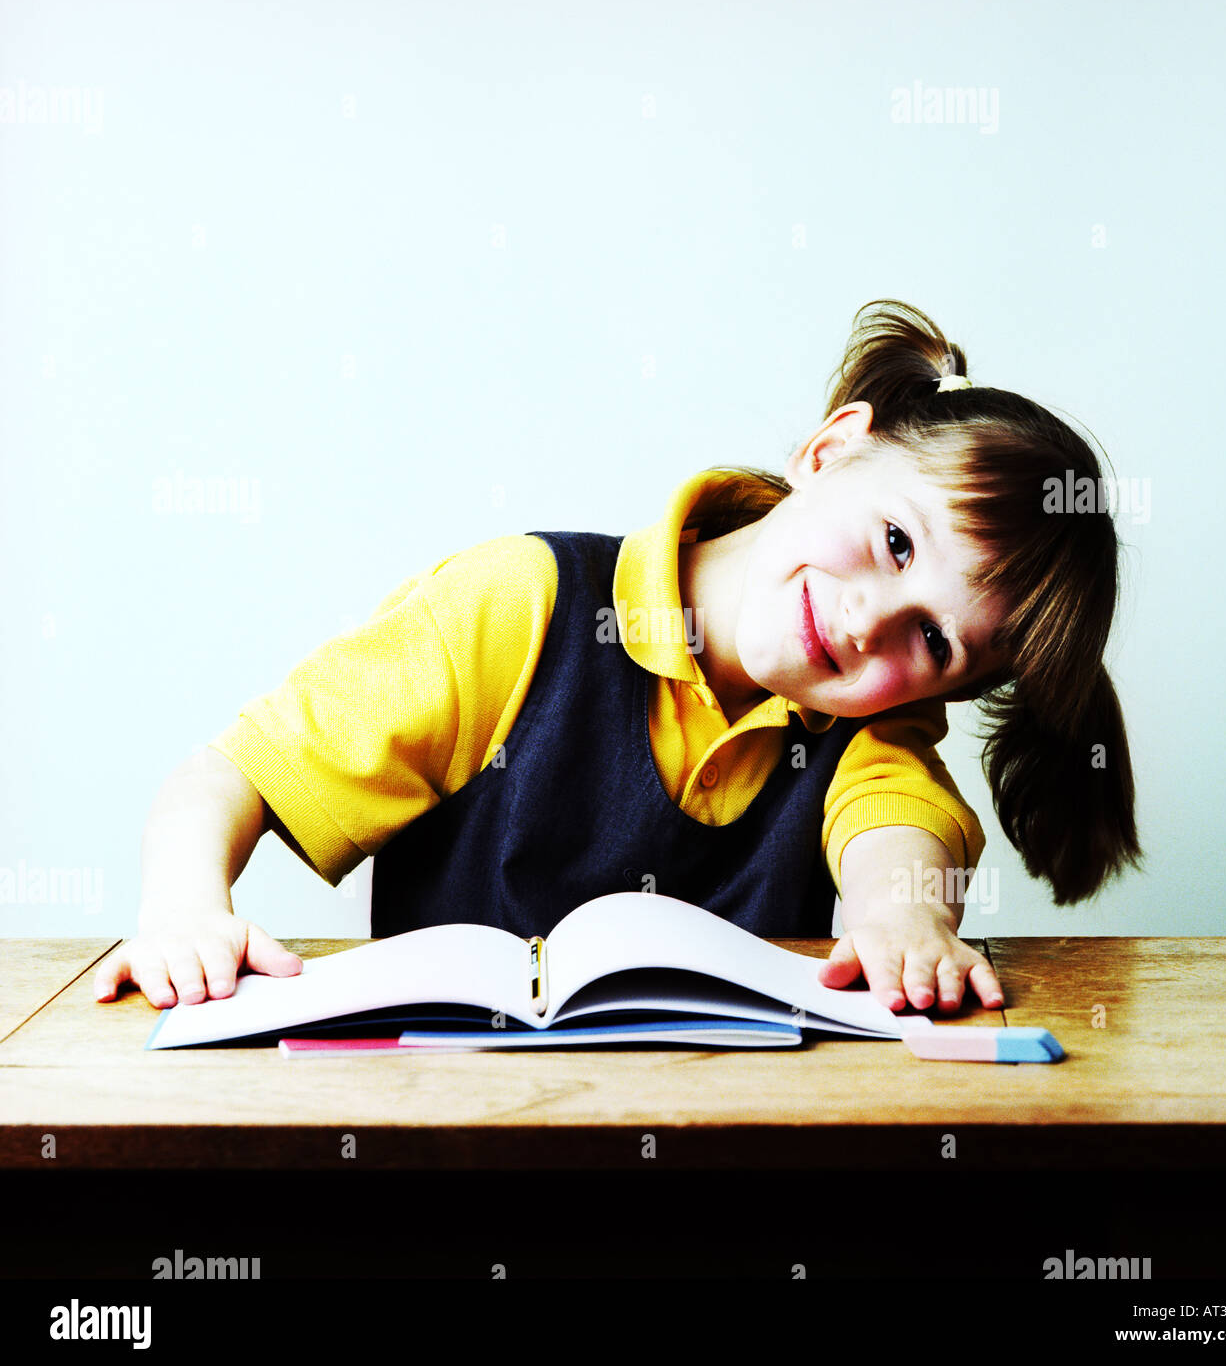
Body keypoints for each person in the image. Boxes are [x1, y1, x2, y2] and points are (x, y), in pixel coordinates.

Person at [94, 299, 1141, 1018]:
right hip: (445, 1131)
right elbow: (228, 773)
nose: (873, 625)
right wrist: (185, 908)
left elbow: (898, 829)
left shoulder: (868, 725)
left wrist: (902, 920)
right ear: (829, 452)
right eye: (895, 543)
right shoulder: (519, 605)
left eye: (932, 640)